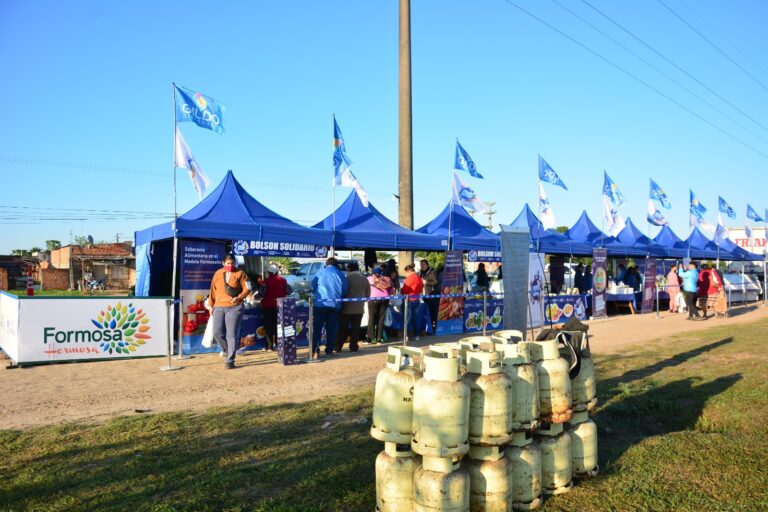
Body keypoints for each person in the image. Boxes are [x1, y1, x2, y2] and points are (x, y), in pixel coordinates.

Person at [207, 254, 250, 369]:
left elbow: (247, 288)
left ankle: (230, 360)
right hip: (218, 306)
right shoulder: (217, 273)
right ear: (223, 263)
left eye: (232, 263)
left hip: (234, 307)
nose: (230, 265)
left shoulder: (240, 273)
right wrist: (211, 305)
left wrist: (239, 297)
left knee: (231, 335)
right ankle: (228, 350)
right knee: (217, 332)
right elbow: (212, 290)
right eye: (228, 263)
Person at [311, 257, 347, 360]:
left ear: (326, 264)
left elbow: (313, 286)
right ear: (336, 265)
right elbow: (344, 290)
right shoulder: (340, 274)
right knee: (331, 329)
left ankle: (315, 351)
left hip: (320, 305)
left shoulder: (320, 272)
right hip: (335, 305)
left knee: (317, 328)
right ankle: (329, 351)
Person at [335, 261, 371, 353]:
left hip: (346, 309)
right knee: (356, 329)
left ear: (349, 269)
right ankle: (354, 347)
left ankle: (338, 347)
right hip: (359, 308)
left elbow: (341, 292)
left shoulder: (346, 278)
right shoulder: (364, 279)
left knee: (343, 328)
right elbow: (368, 294)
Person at [261, 264, 288, 351]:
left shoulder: (266, 282)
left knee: (269, 326)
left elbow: (262, 293)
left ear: (269, 272)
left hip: (268, 306)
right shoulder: (284, 280)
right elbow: (288, 291)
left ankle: (269, 346)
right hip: (280, 306)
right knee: (278, 325)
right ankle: (278, 344)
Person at [367, 266, 393, 344]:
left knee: (372, 318)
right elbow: (391, 290)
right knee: (381, 319)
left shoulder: (368, 278)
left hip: (373, 298)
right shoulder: (386, 279)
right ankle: (379, 338)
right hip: (385, 298)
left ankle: (370, 338)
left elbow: (365, 288)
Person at [400, 263, 424, 341]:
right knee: (416, 319)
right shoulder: (419, 278)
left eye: (406, 272)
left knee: (407, 319)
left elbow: (404, 290)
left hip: (409, 300)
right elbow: (421, 289)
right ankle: (417, 335)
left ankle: (406, 336)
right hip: (417, 299)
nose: (406, 274)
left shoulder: (409, 278)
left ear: (408, 270)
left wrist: (401, 290)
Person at [419, 259, 440, 334]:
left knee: (433, 311)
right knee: (427, 312)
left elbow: (436, 282)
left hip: (431, 294)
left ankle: (435, 327)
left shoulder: (432, 271)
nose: (422, 266)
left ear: (427, 265)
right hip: (424, 295)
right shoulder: (421, 273)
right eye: (421, 265)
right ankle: (429, 328)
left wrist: (426, 282)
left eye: (423, 265)